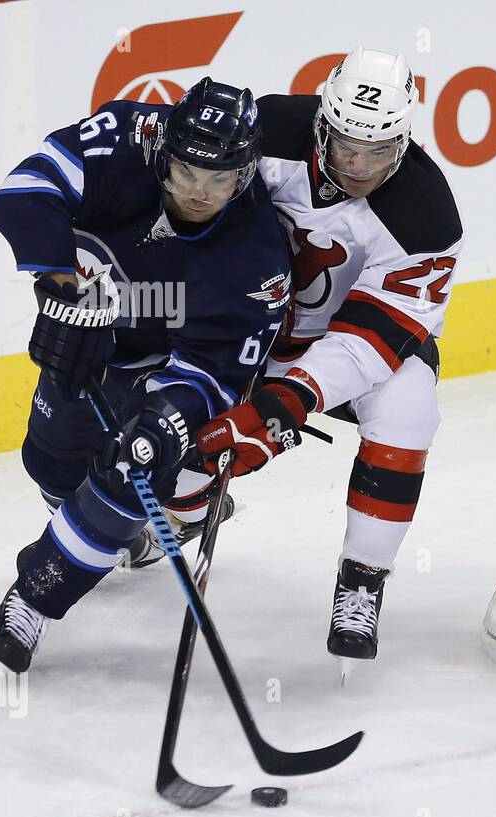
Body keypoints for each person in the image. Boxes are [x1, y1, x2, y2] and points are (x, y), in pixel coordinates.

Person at [0, 78, 292, 673]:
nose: (198, 193)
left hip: (168, 363)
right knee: (50, 464)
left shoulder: (255, 255)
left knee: (139, 456)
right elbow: (26, 189)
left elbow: (218, 369)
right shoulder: (126, 140)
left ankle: (38, 596)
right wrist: (62, 284)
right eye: (185, 173)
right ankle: (137, 527)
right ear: (163, 154)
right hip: (89, 332)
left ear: (246, 175)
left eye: (219, 180)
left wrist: (170, 415)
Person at [196, 46, 463, 663]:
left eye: (379, 151)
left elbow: (375, 334)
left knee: (409, 410)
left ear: (404, 140)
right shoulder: (261, 134)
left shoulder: (426, 215)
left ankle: (362, 582)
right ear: (322, 123)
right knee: (189, 460)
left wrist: (288, 399)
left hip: (344, 347)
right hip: (243, 333)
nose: (361, 165)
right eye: (347, 146)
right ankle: (169, 524)